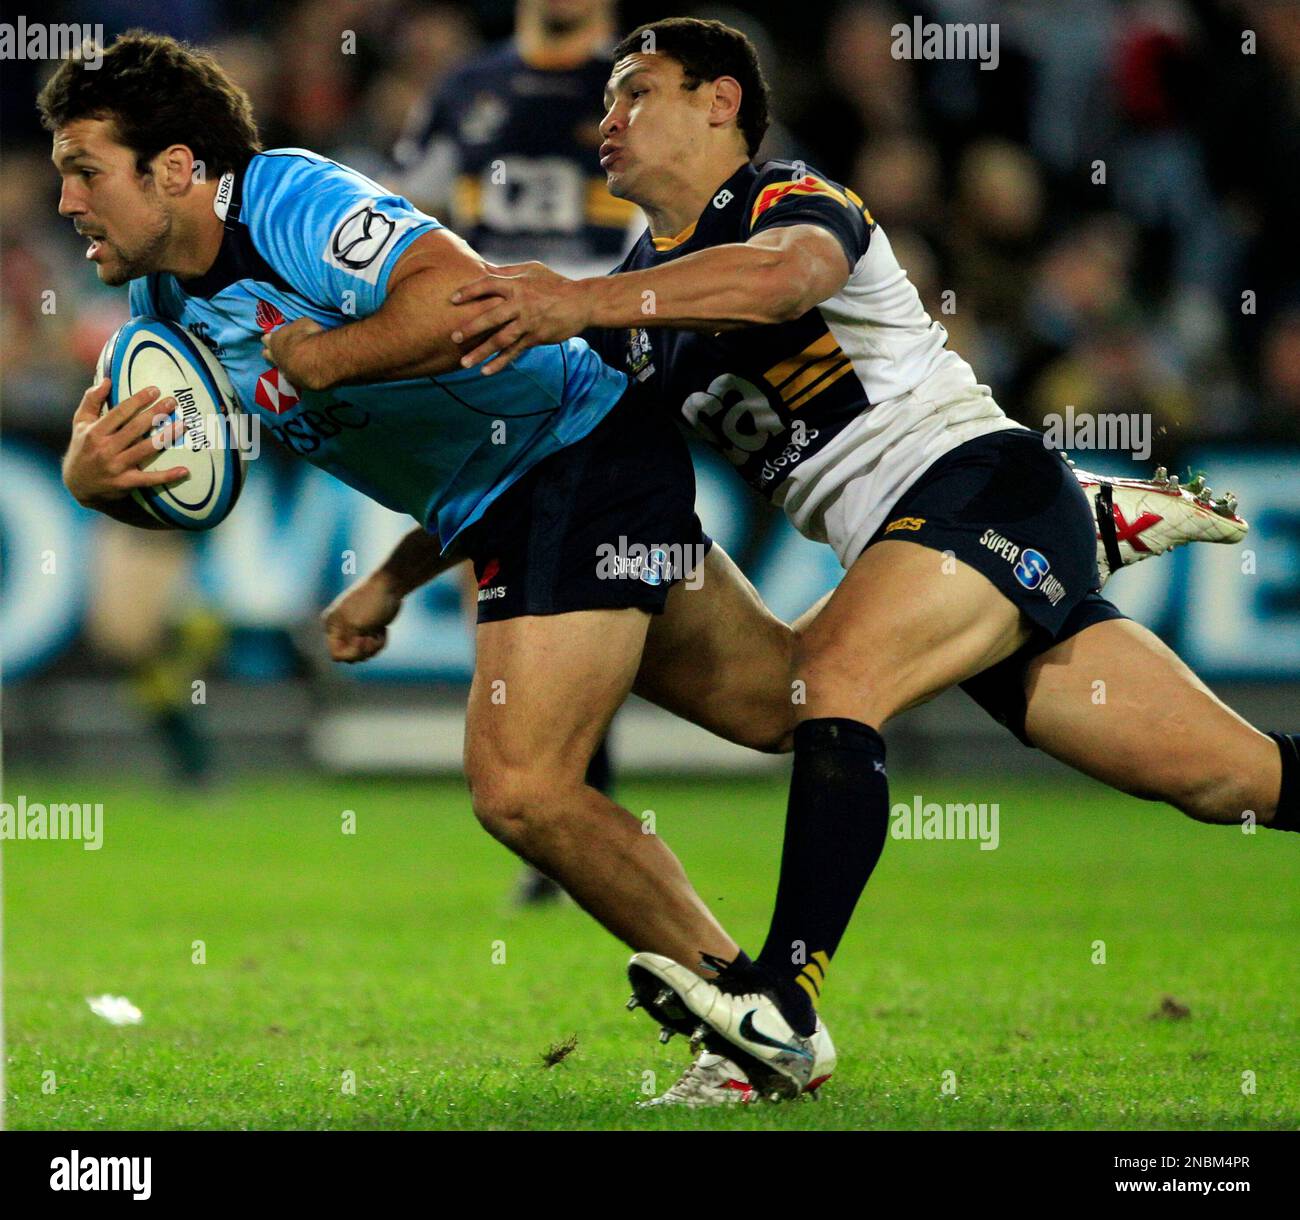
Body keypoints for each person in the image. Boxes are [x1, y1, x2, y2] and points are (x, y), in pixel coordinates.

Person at [442, 17, 1292, 1105]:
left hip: (979, 489)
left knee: (829, 680)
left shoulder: (791, 199)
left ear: (719, 104)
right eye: (604, 101)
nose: (605, 118)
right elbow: (552, 443)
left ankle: (779, 1012)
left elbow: (782, 285)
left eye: (635, 90)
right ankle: (1097, 508)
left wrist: (576, 301)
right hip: (925, 556)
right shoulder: (638, 296)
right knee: (1229, 777)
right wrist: (392, 573)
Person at [393, 0, 639, 906]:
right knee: (496, 583)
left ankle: (572, 808)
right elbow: (406, 219)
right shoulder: (466, 90)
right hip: (491, 361)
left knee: (601, 580)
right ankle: (562, 810)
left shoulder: (637, 88)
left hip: (606, 350)